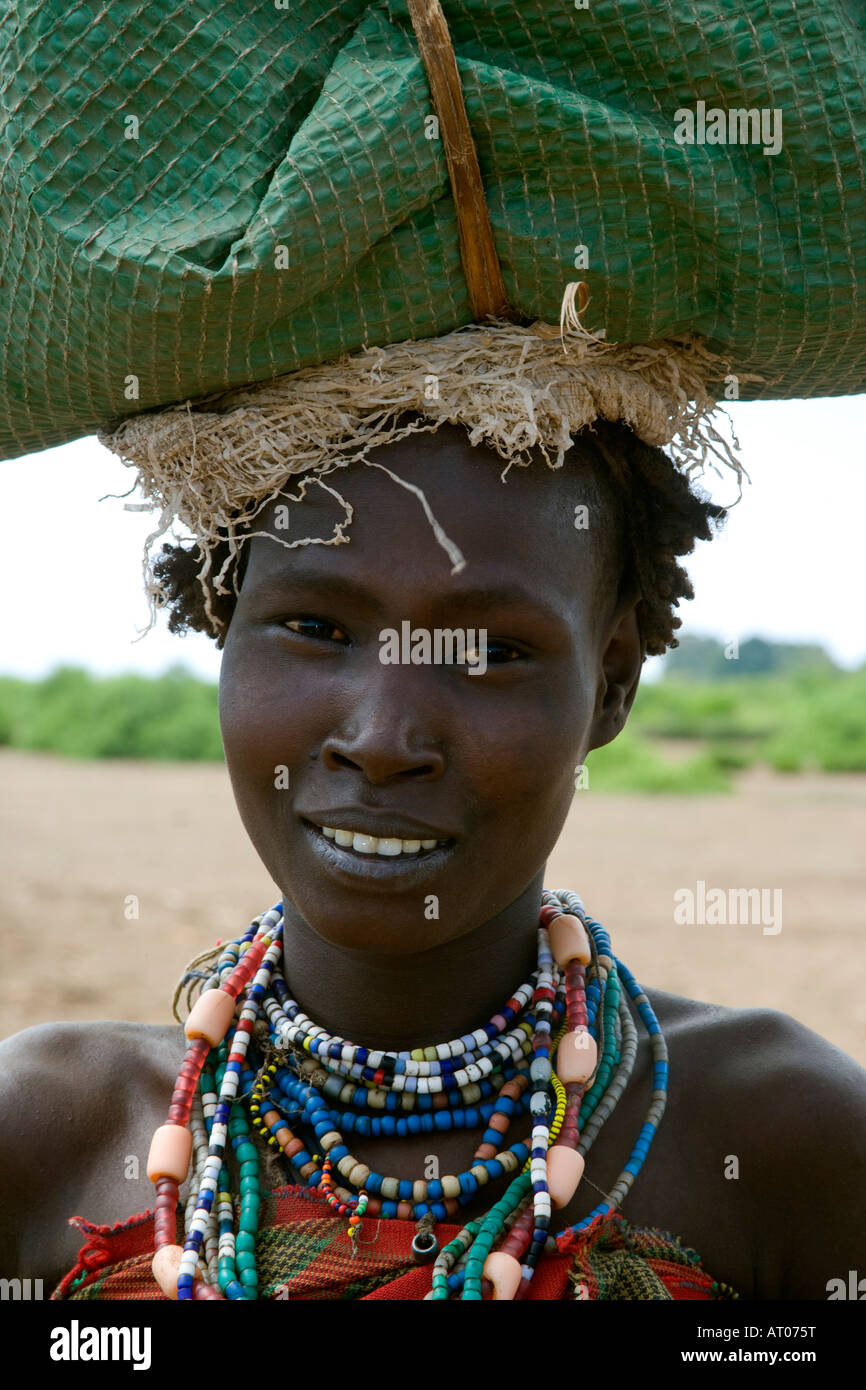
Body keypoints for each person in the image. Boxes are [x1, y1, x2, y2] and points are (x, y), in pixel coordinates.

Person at [2, 411, 864, 1302]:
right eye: (314, 625)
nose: (381, 740)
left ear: (611, 683)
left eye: (490, 651)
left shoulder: (784, 1137)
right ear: (223, 630)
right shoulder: (44, 1130)